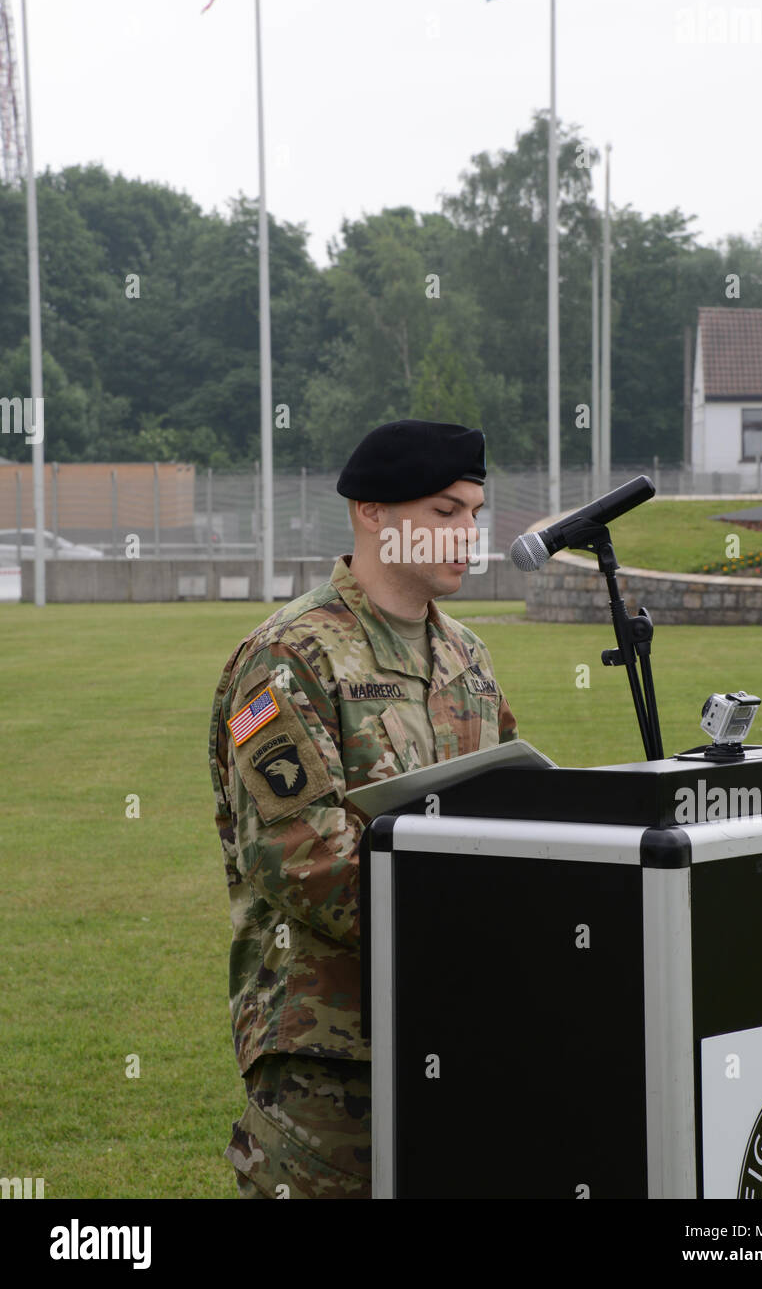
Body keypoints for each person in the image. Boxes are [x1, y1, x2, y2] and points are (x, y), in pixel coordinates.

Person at [208, 419, 519, 1199]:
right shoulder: (290, 656)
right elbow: (305, 861)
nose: (467, 535)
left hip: (458, 1027)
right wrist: (474, 932)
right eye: (445, 513)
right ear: (371, 513)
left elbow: (514, 810)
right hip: (333, 1052)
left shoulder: (466, 655)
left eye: (475, 514)